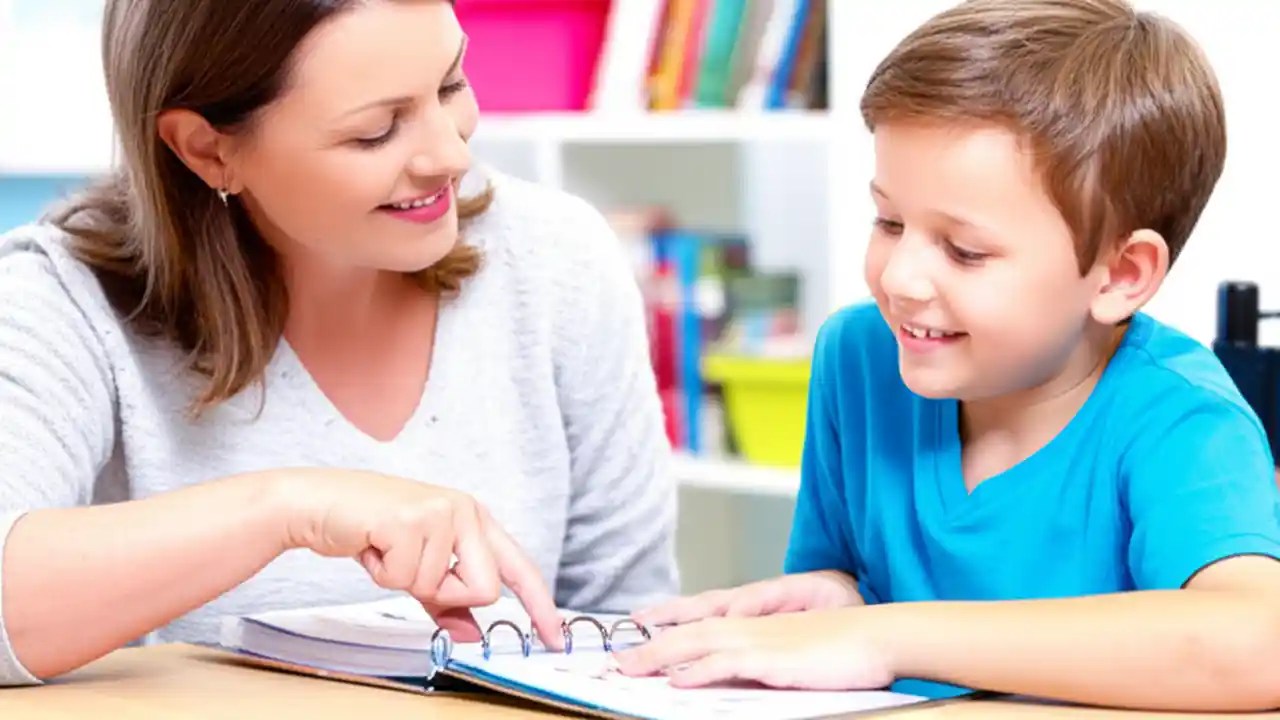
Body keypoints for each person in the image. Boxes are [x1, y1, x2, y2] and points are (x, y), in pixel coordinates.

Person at [614, 0, 1280, 712]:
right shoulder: (861, 359)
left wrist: (888, 635)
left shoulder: (1178, 420)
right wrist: (837, 599)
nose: (898, 279)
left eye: (965, 251)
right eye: (889, 220)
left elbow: (1259, 642)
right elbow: (859, 585)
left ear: (1120, 275)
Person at [0, 0, 678, 686]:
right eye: (376, 131)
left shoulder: (556, 259)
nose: (452, 153)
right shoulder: (65, 300)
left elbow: (631, 625)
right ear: (208, 149)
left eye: (450, 85)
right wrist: (290, 509)